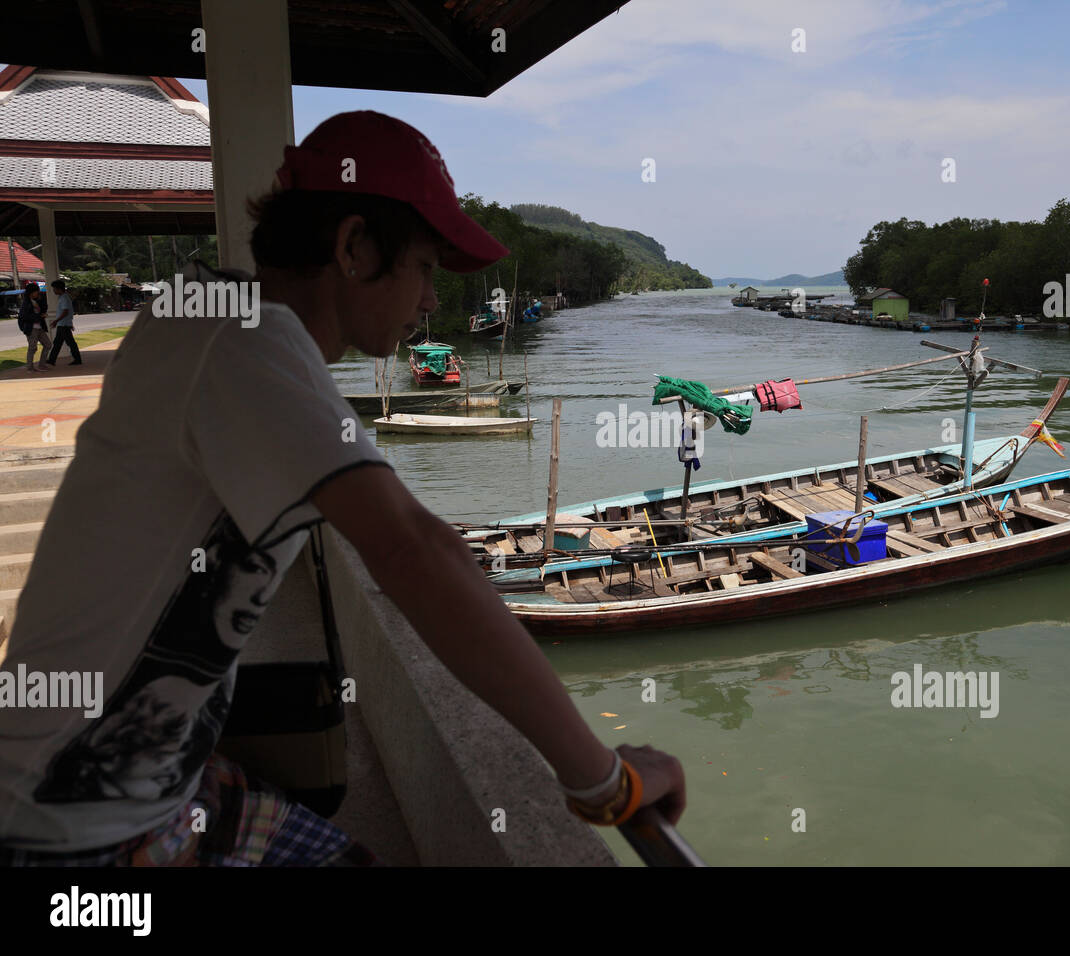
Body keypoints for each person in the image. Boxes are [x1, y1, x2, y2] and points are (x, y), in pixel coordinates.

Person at [0, 111, 685, 866]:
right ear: (354, 247)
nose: (431, 301)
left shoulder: (203, 314)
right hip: (67, 832)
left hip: (159, 784)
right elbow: (411, 548)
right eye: (424, 268)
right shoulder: (243, 338)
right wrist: (603, 782)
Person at [17, 283, 53, 372]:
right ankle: (30, 367)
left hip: (40, 327)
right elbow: (24, 317)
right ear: (31, 292)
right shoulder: (26, 303)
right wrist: (40, 316)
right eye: (37, 291)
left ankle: (41, 365)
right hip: (31, 328)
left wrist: (42, 300)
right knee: (32, 348)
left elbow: (44, 308)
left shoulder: (37, 301)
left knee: (48, 344)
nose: (38, 293)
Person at [45, 279, 82, 365]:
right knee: (58, 343)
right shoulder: (63, 297)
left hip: (64, 324)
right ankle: (52, 360)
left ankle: (77, 359)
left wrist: (56, 321)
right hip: (63, 324)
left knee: (70, 343)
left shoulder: (64, 298)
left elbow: (66, 311)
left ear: (59, 289)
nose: (53, 290)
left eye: (54, 289)